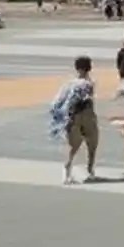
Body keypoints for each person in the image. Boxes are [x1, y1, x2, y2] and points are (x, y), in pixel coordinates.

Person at [49, 55, 99, 185]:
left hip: (72, 116)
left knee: (73, 146)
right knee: (92, 143)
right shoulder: (89, 83)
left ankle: (68, 172)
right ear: (89, 68)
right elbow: (89, 99)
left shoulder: (69, 84)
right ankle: (90, 170)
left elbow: (58, 101)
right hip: (86, 115)